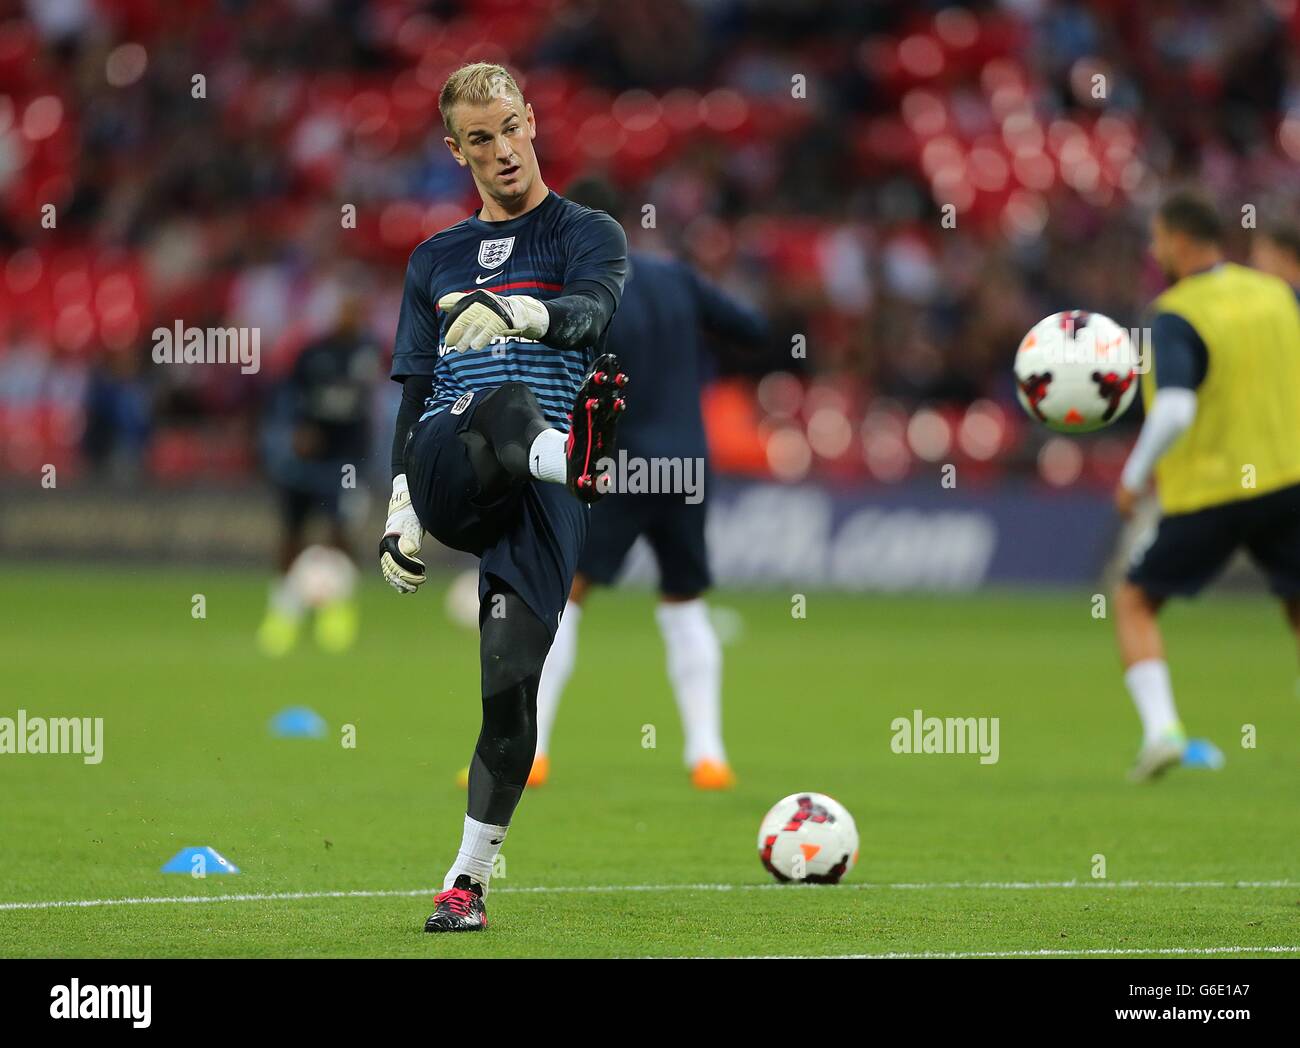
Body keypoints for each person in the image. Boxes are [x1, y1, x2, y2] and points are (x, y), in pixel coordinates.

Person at [381, 63, 628, 932]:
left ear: (533, 123)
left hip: (537, 490)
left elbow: (594, 315)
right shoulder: (434, 258)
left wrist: (520, 315)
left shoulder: (587, 233)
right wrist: (400, 511)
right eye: (478, 139)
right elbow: (413, 392)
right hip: (454, 459)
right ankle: (571, 456)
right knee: (496, 403)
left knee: (508, 686)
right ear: (457, 151)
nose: (500, 150)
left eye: (510, 127)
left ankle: (465, 882)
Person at [525, 176, 768, 791]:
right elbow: (751, 328)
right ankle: (707, 756)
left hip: (620, 464)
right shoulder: (676, 278)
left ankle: (533, 752)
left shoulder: (582, 292)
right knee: (685, 603)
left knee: (566, 595)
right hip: (687, 463)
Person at [1114, 191, 1300, 781]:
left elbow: (1173, 409)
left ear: (1182, 241)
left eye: (1158, 237)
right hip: (1289, 478)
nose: (1153, 249)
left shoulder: (1178, 312)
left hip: (1213, 490)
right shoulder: (1277, 294)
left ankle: (1163, 732)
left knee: (1135, 601)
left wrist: (1133, 477)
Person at [257, 294, 377, 655]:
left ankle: (336, 609)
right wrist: (296, 430)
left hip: (346, 460)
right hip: (305, 460)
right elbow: (287, 396)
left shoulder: (368, 354)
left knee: (340, 533)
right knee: (293, 532)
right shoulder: (312, 353)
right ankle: (284, 610)